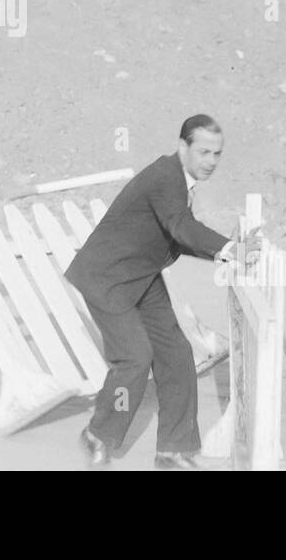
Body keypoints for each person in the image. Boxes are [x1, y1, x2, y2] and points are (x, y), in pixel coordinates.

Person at [65, 115, 255, 470]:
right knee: (135, 358)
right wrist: (230, 249)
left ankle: (173, 449)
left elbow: (176, 236)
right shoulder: (165, 176)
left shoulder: (179, 182)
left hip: (142, 276)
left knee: (177, 354)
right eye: (203, 152)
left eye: (217, 153)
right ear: (182, 146)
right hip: (107, 279)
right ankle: (98, 434)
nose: (211, 162)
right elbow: (181, 226)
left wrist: (223, 251)